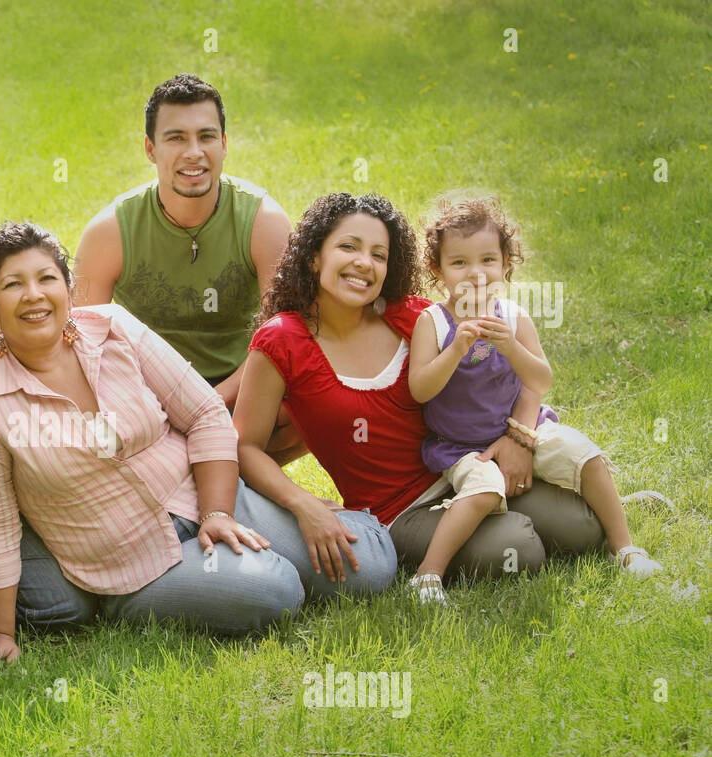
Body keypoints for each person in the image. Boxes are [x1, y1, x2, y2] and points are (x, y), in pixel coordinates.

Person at [0, 221, 312, 663]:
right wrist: (1, 634)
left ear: (68, 288)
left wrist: (217, 512)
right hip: (129, 565)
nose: (33, 295)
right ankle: (135, 605)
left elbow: (205, 413)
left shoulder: (113, 327)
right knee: (277, 589)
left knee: (364, 568)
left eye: (46, 278)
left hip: (201, 495)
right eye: (12, 284)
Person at [234, 193, 604, 589]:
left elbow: (505, 374)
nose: (364, 262)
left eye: (379, 254)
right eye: (348, 247)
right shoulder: (281, 341)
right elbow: (245, 446)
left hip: (468, 468)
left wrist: (519, 436)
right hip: (400, 510)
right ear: (314, 257)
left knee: (581, 529)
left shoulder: (413, 317)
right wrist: (302, 503)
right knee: (517, 547)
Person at [405, 194, 661, 601]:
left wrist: (512, 349)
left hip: (525, 427)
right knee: (484, 490)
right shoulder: (432, 322)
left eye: (488, 260)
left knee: (585, 455)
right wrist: (455, 349)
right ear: (438, 269)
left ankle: (625, 547)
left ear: (506, 263)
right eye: (459, 263)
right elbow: (420, 389)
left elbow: (541, 378)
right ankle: (428, 576)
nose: (476, 273)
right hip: (465, 449)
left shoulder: (513, 317)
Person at [72, 74, 292, 410]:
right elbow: (83, 345)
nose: (194, 152)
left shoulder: (265, 222)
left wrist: (210, 403)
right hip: (147, 396)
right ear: (150, 149)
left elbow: (283, 336)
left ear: (224, 144)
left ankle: (240, 453)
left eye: (206, 137)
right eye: (176, 138)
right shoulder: (109, 232)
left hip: (244, 389)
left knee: (307, 382)